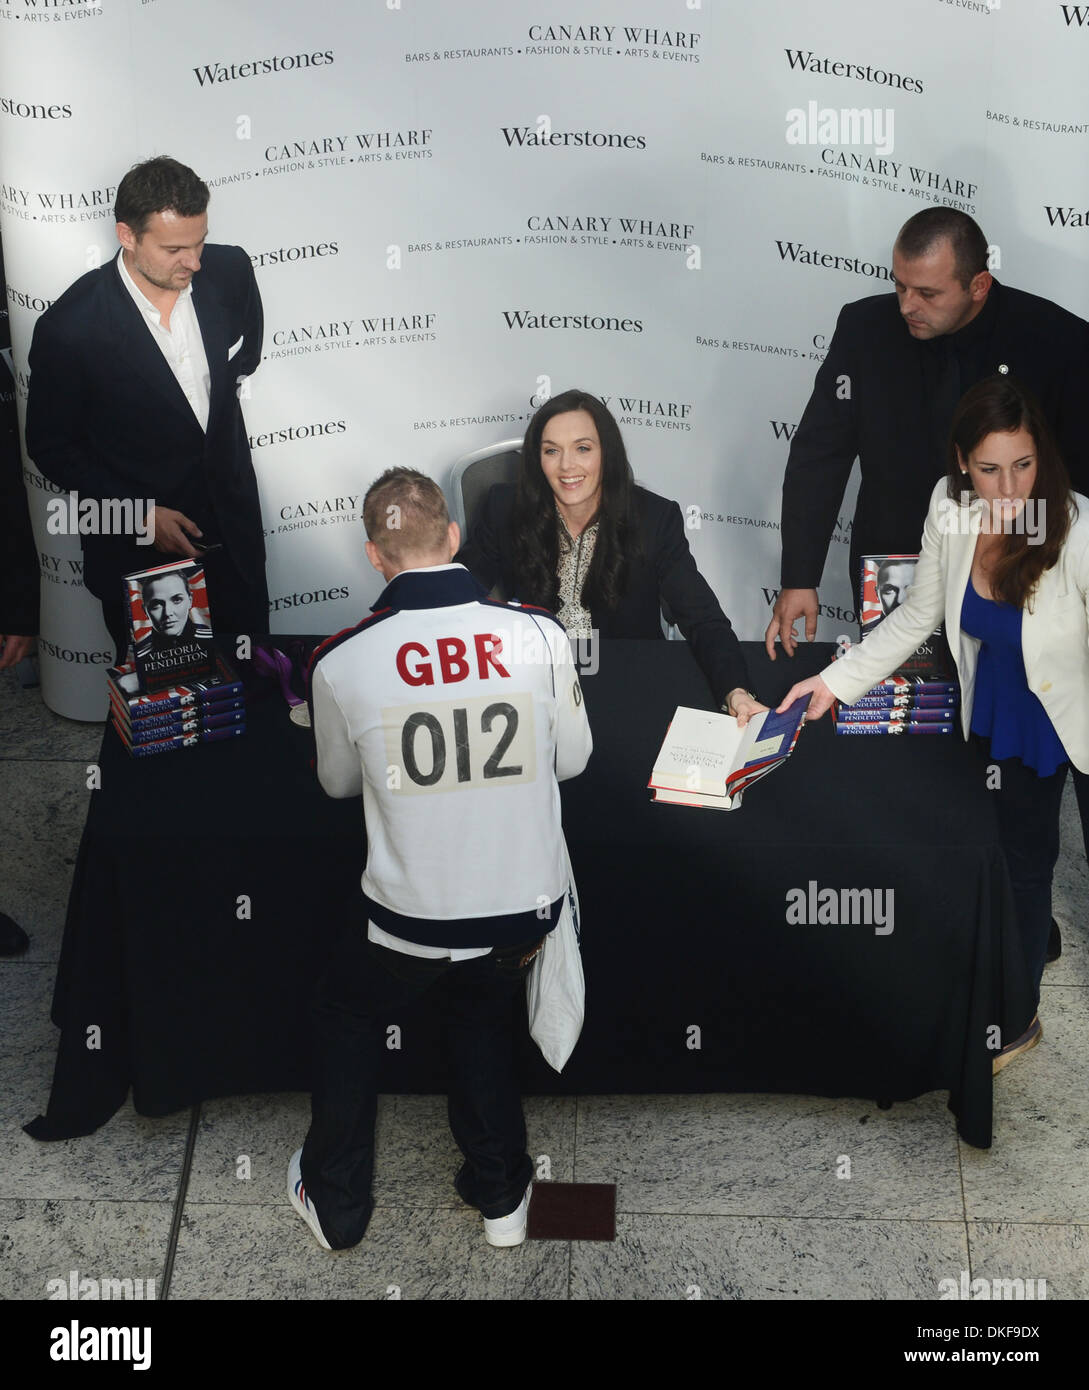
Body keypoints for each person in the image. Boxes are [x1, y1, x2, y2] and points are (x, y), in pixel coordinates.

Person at [289, 467, 592, 1251]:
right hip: (521, 911)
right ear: (452, 537)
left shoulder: (341, 659)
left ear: (373, 556)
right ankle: (502, 1200)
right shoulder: (538, 633)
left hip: (411, 919)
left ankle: (338, 1204)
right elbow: (573, 762)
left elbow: (336, 785)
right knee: (481, 1014)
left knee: (344, 1011)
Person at [777, 376, 1089, 1071]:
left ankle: (1018, 1003)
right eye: (988, 468)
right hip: (995, 712)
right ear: (959, 462)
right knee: (1003, 862)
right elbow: (918, 616)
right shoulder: (949, 511)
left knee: (1032, 866)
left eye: (1023, 463)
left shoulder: (1078, 528)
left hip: (1065, 716)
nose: (1008, 486)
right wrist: (834, 680)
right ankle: (1004, 999)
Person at [765, 207, 1089, 661]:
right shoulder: (864, 330)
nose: (906, 306)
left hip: (1019, 566)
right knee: (900, 715)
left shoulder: (1058, 340)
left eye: (927, 293)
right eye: (899, 285)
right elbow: (820, 454)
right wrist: (799, 575)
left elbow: (1079, 477)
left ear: (978, 286)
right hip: (895, 567)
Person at [25, 156, 267, 662]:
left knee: (252, 688)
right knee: (170, 713)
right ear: (127, 236)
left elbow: (242, 356)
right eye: (176, 248)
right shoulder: (71, 329)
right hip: (143, 559)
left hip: (235, 538)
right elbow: (51, 447)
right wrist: (139, 517)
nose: (194, 261)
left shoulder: (230, 271)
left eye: (199, 242)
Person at [457, 388, 763, 723]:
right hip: (536, 687)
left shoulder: (654, 519)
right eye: (551, 451)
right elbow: (458, 594)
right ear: (536, 459)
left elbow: (703, 619)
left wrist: (736, 691)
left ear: (607, 454)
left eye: (583, 449)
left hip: (629, 686)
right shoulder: (504, 508)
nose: (567, 466)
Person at [136, 570, 212, 652]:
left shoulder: (211, 641)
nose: (167, 613)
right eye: (156, 605)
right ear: (145, 611)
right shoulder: (140, 655)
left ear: (190, 600)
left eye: (177, 600)